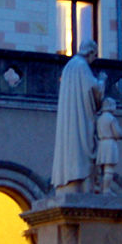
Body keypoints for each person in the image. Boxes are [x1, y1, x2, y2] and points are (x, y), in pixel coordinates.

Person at [52, 40, 105, 193]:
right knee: (81, 148)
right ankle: (79, 180)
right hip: (80, 117)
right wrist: (102, 81)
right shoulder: (82, 66)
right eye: (94, 55)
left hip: (70, 117)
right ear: (90, 52)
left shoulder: (70, 66)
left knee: (70, 147)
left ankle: (70, 181)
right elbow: (93, 89)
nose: (94, 59)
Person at [95, 97, 122, 194]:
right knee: (109, 169)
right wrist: (121, 135)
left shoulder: (100, 119)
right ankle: (106, 189)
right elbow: (117, 133)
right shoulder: (111, 119)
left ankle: (98, 187)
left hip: (102, 143)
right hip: (110, 143)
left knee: (101, 169)